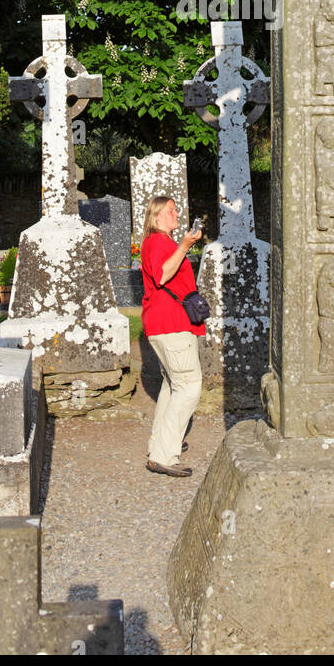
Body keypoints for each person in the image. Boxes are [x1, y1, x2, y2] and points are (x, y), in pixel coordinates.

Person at [140, 195, 203, 477]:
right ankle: (165, 453)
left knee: (173, 384)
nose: (176, 214)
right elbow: (163, 274)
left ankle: (161, 444)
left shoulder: (161, 242)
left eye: (176, 210)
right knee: (189, 385)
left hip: (167, 323)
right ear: (156, 217)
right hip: (169, 323)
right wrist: (185, 246)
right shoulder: (156, 241)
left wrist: (182, 246)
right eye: (170, 211)